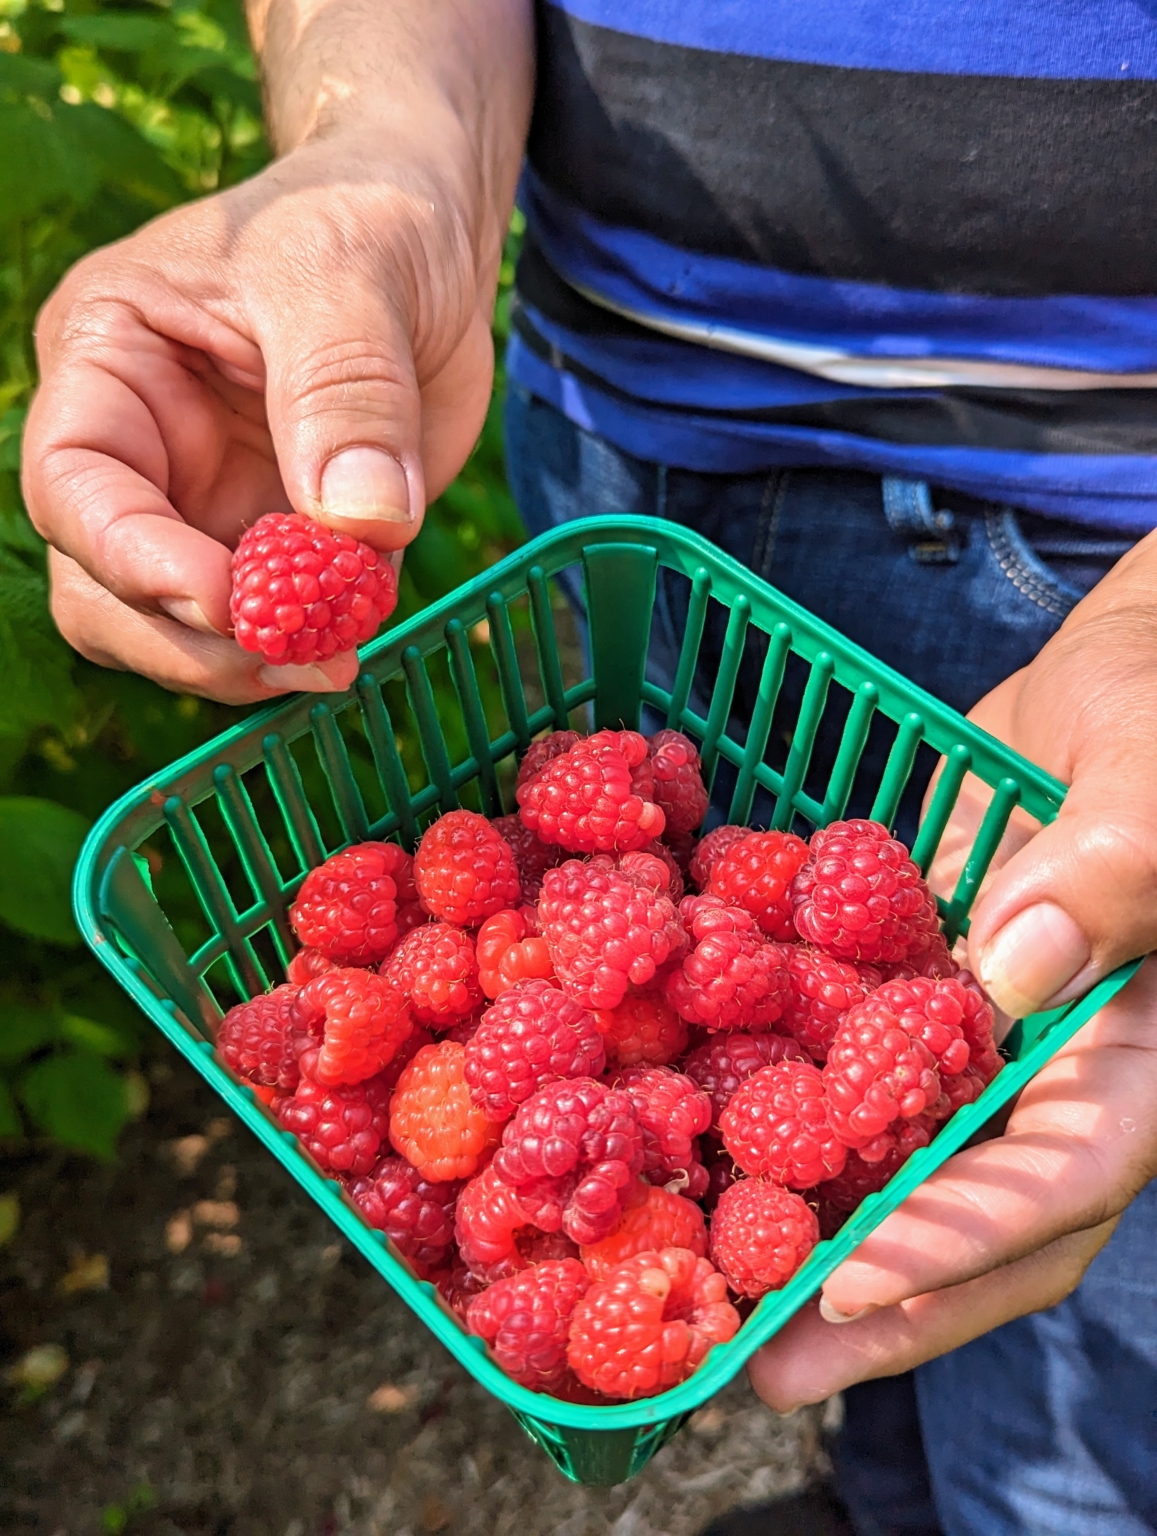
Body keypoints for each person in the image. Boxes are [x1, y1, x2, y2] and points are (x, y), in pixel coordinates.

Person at [20, 3, 1157, 1531]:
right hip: (617, 439)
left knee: (1079, 1363)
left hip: (1095, 551)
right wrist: (382, 146)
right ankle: (881, 1500)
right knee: (877, 1279)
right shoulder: (585, 1011)